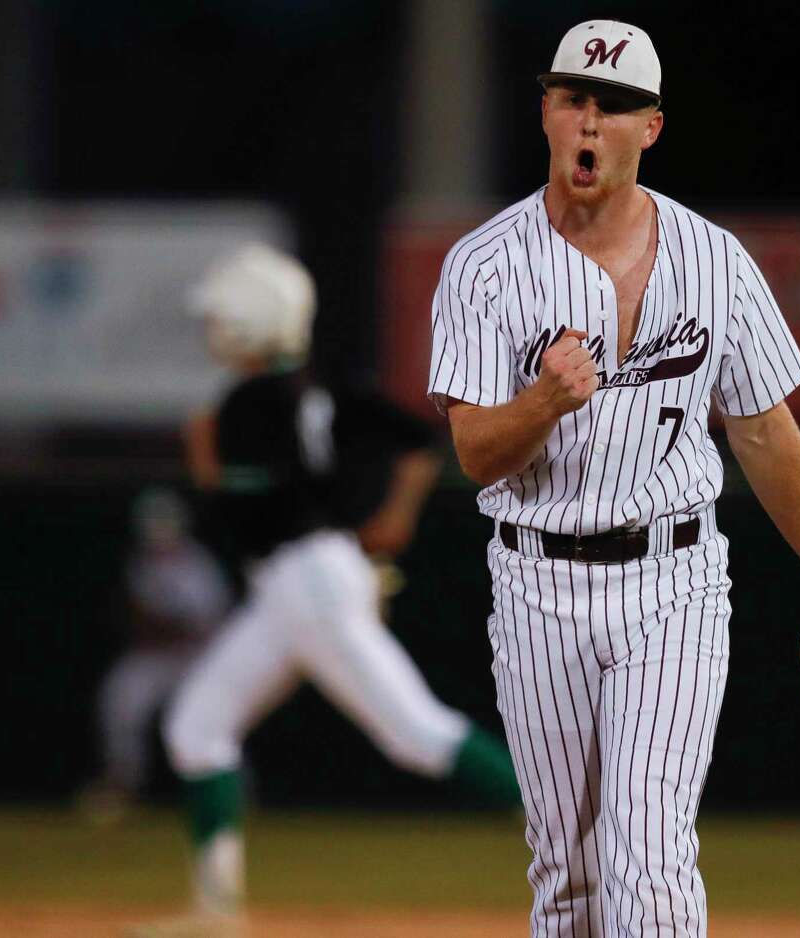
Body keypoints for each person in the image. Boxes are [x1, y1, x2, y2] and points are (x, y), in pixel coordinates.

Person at [428, 19, 800, 937]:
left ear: (652, 128)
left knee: (645, 855)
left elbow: (761, 427)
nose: (590, 124)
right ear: (547, 115)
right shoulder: (483, 267)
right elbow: (476, 451)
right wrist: (542, 404)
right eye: (574, 101)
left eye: (614, 107)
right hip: (536, 580)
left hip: (673, 579)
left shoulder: (713, 261)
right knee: (566, 874)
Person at [148, 243, 520, 932]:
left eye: (221, 317)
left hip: (305, 582)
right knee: (197, 726)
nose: (212, 331)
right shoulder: (322, 385)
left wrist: (205, 463)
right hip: (308, 581)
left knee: (418, 733)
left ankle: (583, 843)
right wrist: (392, 518)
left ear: (247, 322)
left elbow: (243, 512)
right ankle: (216, 909)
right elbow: (417, 440)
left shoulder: (243, 405)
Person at [80, 487, 232, 824]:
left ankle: (232, 790)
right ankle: (121, 784)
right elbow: (137, 621)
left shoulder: (198, 565)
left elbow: (211, 624)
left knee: (217, 719)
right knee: (120, 698)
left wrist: (167, 626)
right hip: (154, 660)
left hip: (196, 660)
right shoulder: (141, 564)